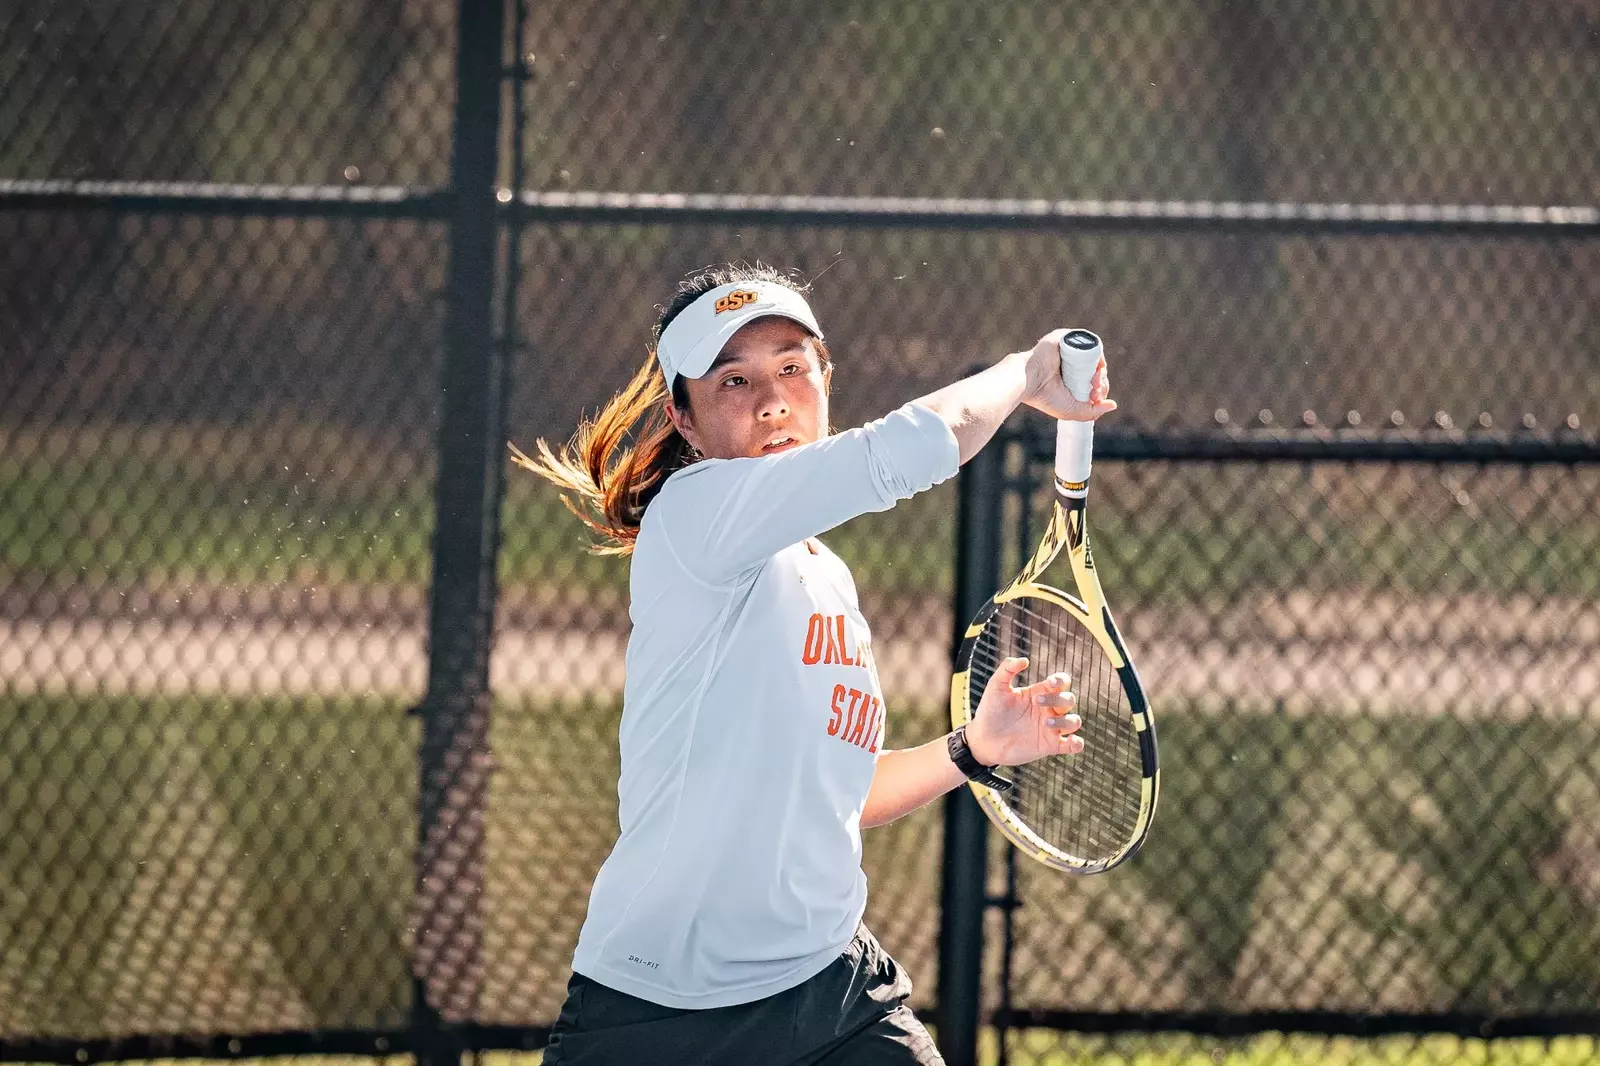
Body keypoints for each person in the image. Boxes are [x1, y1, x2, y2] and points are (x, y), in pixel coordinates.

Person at [516, 263, 1116, 1065]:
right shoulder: (692, 517)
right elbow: (908, 450)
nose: (772, 401)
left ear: (825, 380)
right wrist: (1029, 372)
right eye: (734, 381)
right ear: (684, 420)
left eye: (793, 368)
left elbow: (841, 794)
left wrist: (973, 747)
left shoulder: (825, 576)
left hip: (831, 991)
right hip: (658, 1010)